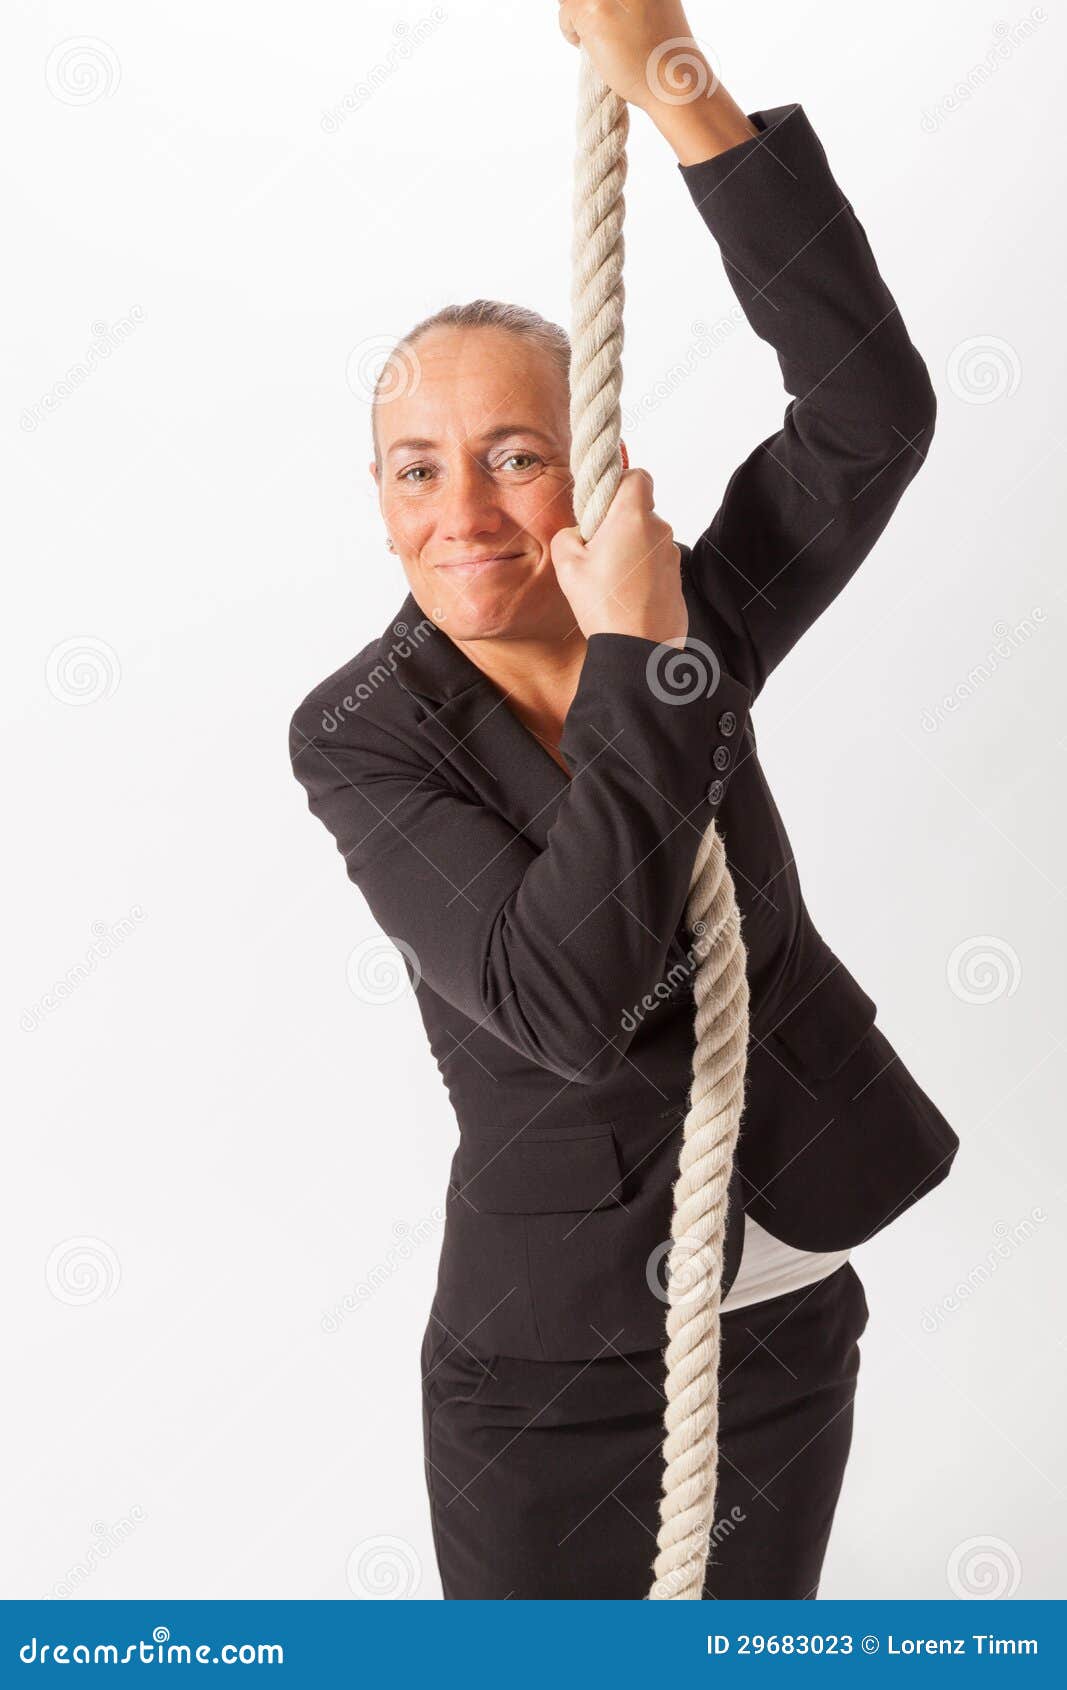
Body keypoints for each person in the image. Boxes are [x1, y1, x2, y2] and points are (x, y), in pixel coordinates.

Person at [289, 0, 959, 1600]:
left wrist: (677, 84)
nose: (466, 510)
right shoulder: (364, 733)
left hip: (779, 1313)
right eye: (416, 467)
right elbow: (567, 995)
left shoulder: (688, 614)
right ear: (378, 499)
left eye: (516, 453)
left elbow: (873, 420)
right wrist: (642, 667)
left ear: (588, 462)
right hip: (551, 1372)